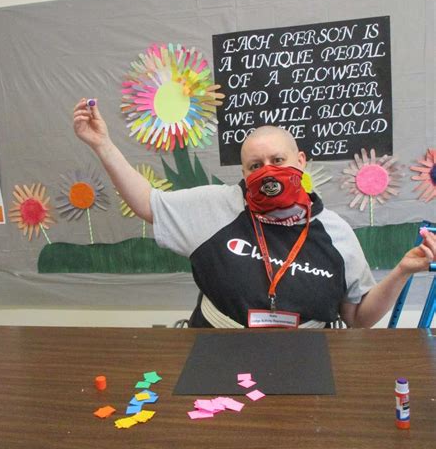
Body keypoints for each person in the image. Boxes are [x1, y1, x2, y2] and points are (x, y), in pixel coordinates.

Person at [72, 98, 436, 329]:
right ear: (244, 173)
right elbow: (146, 203)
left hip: (306, 356)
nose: (268, 172)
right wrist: (102, 144)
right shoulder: (217, 205)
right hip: (216, 346)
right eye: (255, 165)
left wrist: (402, 271)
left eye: (278, 160)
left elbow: (357, 318)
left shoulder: (336, 233)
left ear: (300, 161)